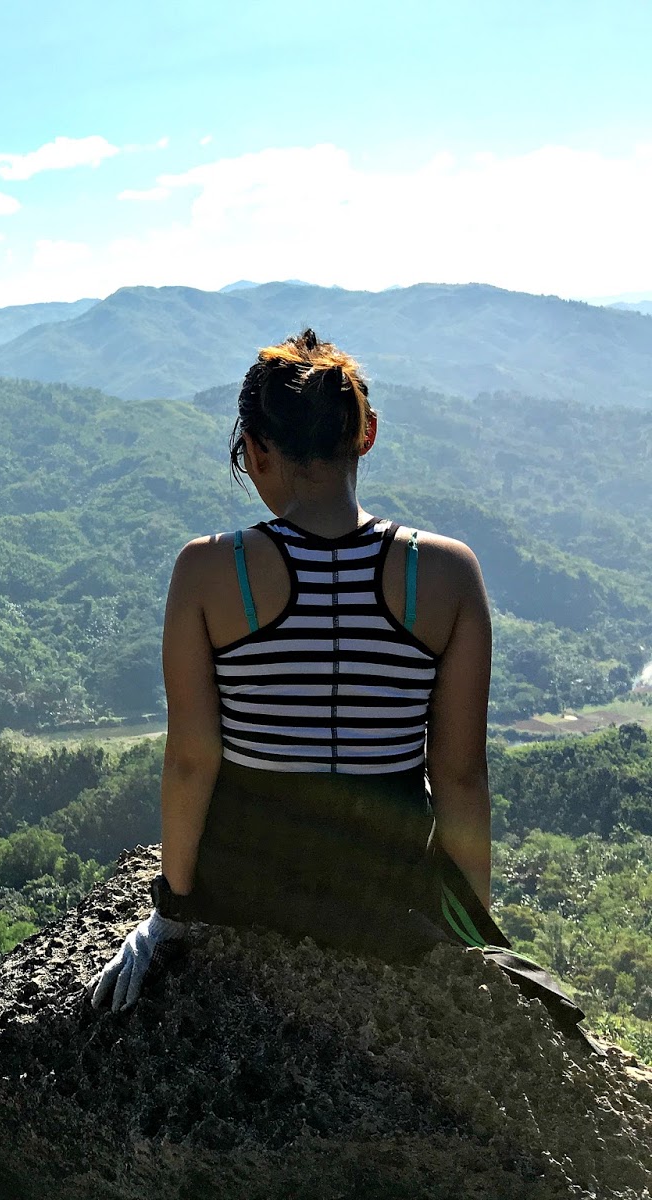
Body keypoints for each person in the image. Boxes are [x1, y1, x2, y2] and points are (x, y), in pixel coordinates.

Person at [87, 329, 582, 1030]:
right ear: (367, 433)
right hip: (386, 897)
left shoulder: (207, 571)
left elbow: (192, 760)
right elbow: (462, 776)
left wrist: (173, 913)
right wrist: (470, 938)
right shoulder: (446, 572)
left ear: (256, 450)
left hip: (246, 887)